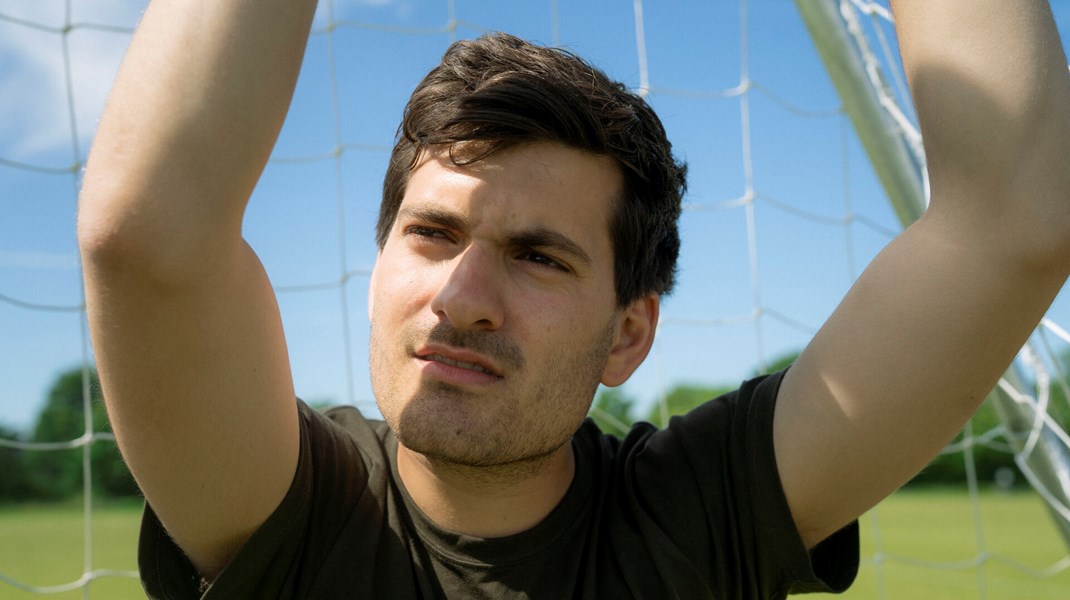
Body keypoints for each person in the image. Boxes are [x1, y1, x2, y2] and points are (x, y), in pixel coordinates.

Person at [77, 0, 1070, 598]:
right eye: (430, 234)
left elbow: (1012, 225)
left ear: (627, 334)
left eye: (538, 257)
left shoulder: (698, 512)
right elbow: (146, 237)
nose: (460, 297)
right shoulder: (293, 513)